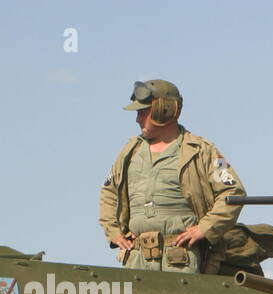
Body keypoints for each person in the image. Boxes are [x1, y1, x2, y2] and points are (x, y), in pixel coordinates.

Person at [98, 80, 245, 274]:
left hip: (180, 259)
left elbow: (233, 192)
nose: (137, 119)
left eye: (143, 112)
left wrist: (204, 228)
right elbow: (109, 192)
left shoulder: (203, 151)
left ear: (164, 110)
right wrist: (114, 232)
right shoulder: (129, 151)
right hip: (136, 257)